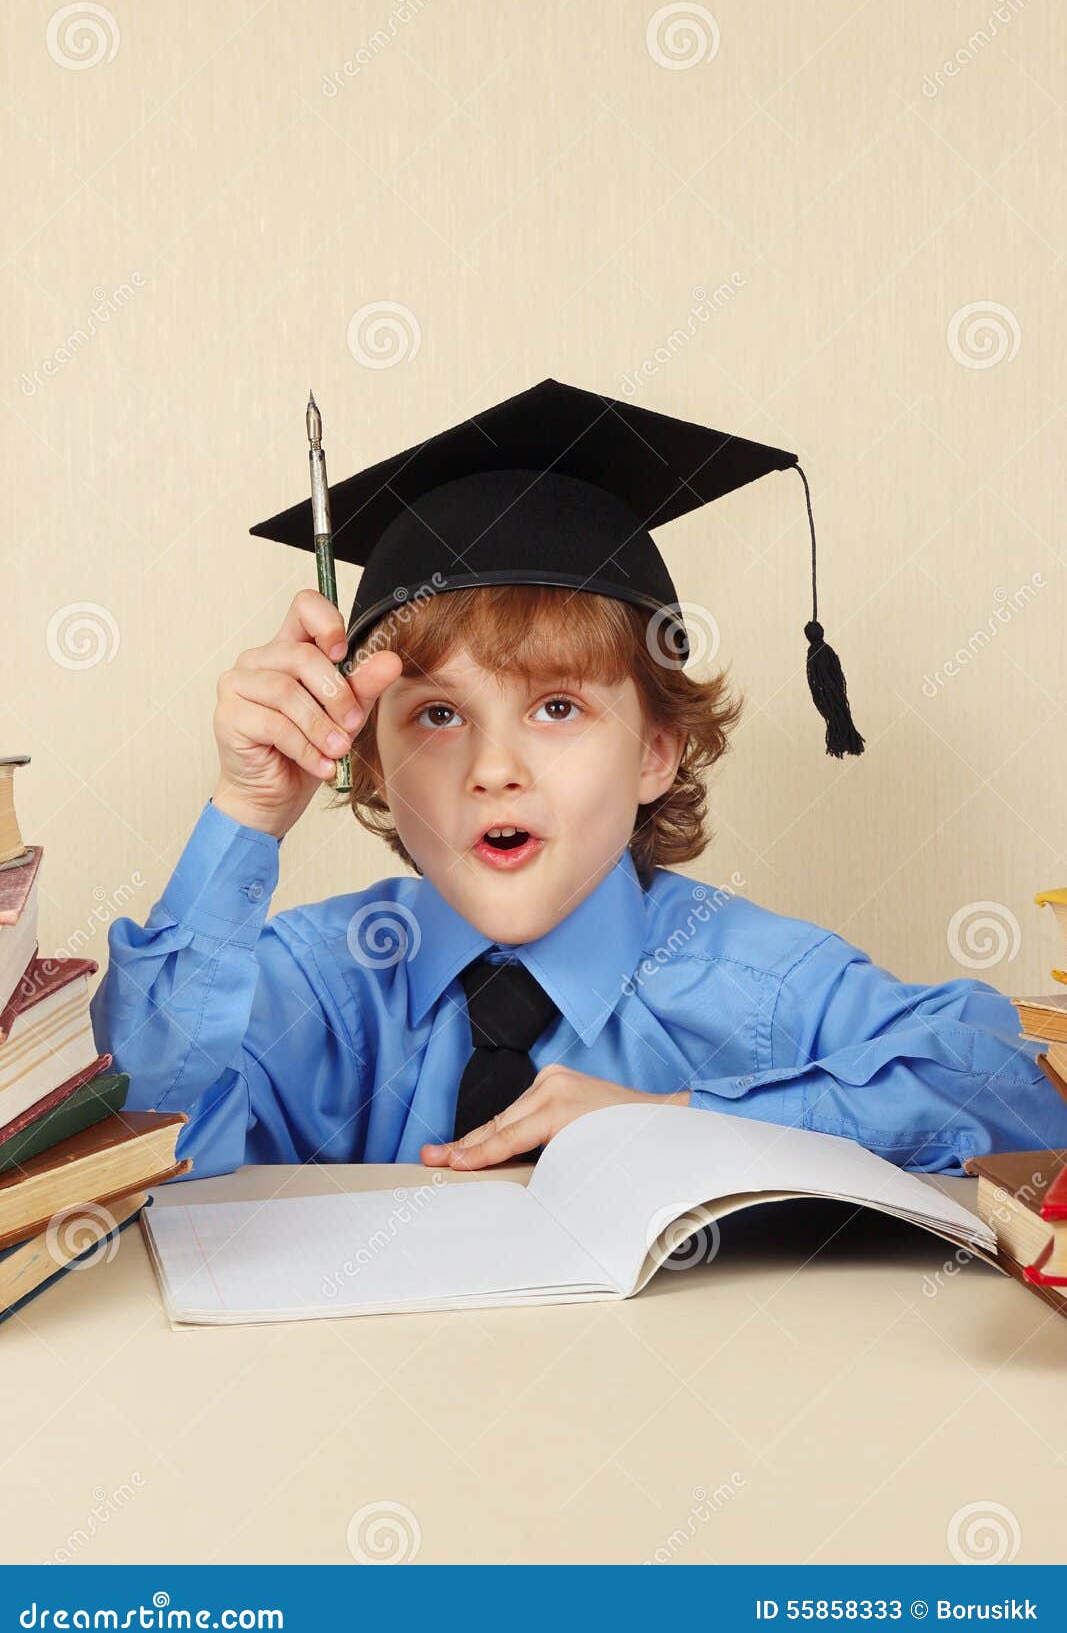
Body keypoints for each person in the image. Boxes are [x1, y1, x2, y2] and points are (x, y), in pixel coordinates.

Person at [90, 381, 1067, 1181]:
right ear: (369, 761)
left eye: (557, 708)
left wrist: (682, 1121)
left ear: (654, 751)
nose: (495, 769)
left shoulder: (750, 986)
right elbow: (131, 1147)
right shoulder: (325, 988)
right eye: (437, 714)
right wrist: (248, 814)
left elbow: (1009, 1093)